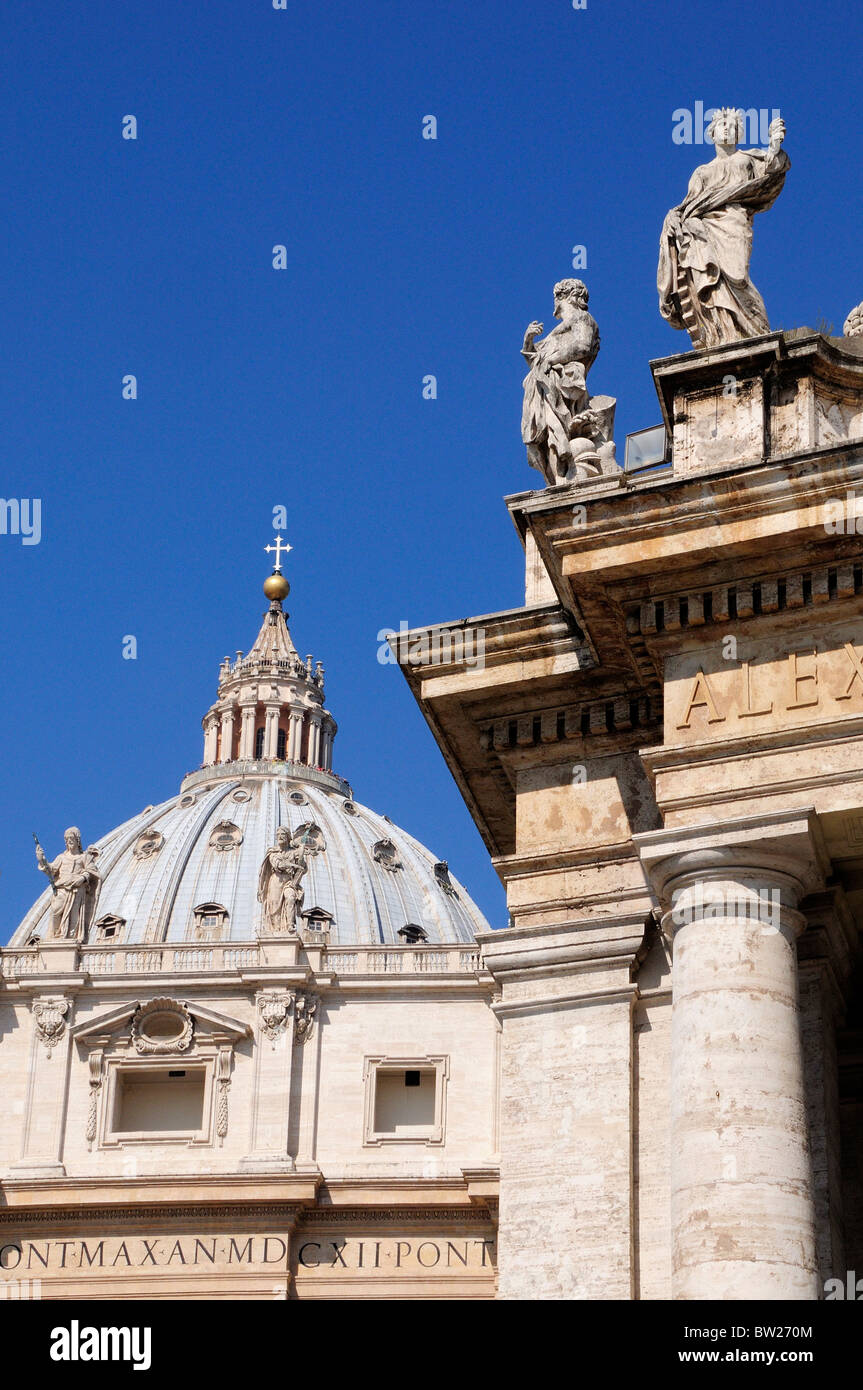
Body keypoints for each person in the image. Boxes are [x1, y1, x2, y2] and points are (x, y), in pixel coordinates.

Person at [658, 109, 789, 349]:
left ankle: (755, 330)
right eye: (722, 125)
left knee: (737, 276)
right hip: (704, 228)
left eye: (732, 126)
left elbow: (772, 172)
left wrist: (774, 146)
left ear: (739, 133)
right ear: (712, 133)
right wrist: (674, 216)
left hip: (734, 221)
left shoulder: (747, 159)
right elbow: (690, 205)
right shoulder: (702, 172)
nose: (727, 129)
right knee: (711, 275)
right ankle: (720, 333)